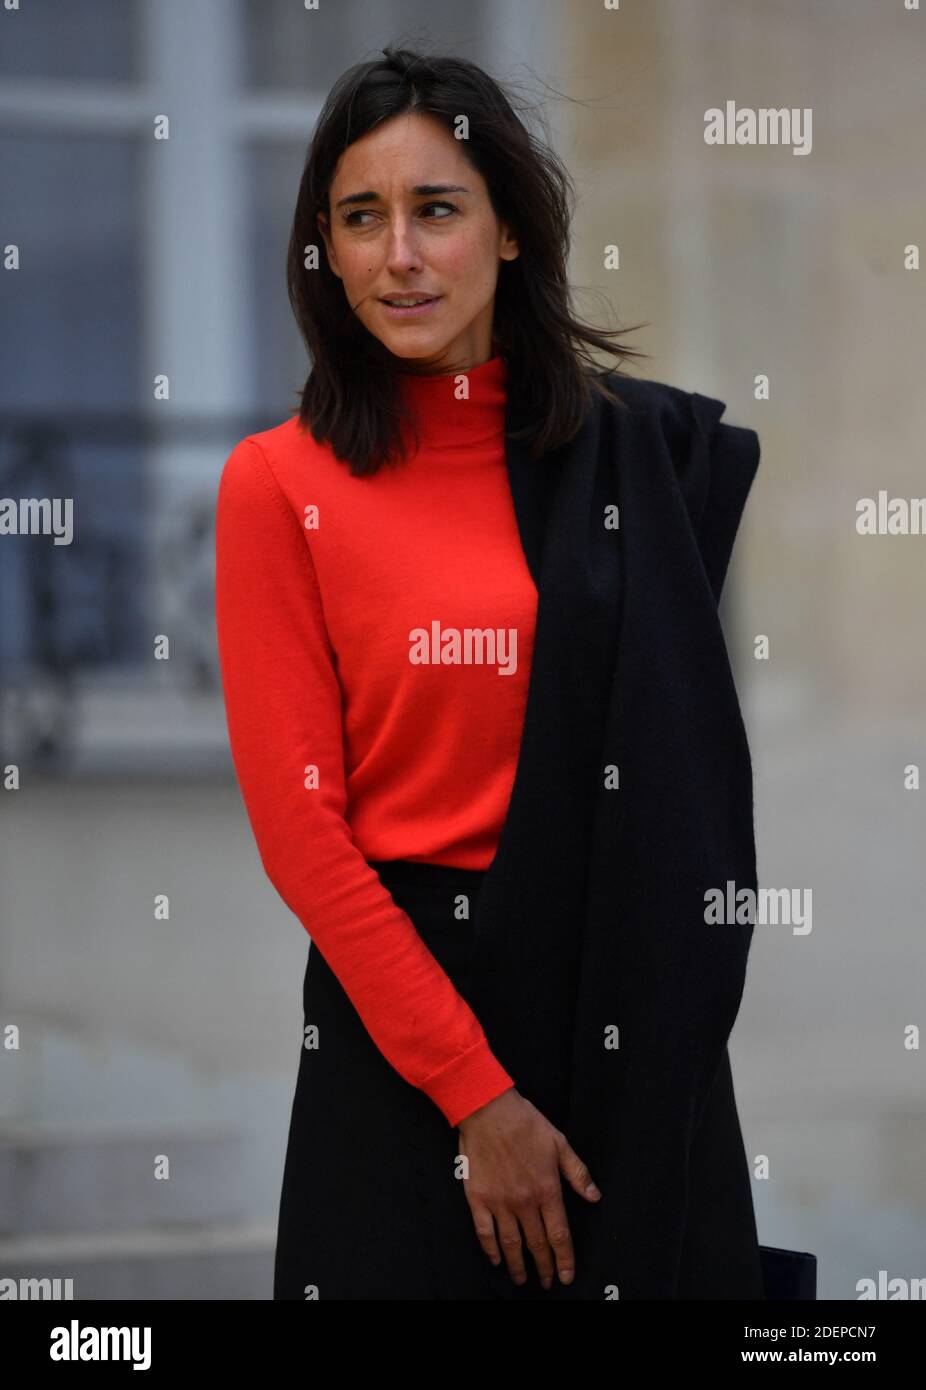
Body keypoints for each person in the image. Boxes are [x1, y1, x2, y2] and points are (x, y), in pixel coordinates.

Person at [214, 45, 764, 1301]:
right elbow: (304, 833)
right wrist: (475, 1095)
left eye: (436, 210)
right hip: (404, 1037)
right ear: (325, 252)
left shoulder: (635, 461)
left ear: (508, 230)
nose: (398, 253)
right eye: (361, 218)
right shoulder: (279, 486)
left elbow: (679, 780)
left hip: (609, 1009)